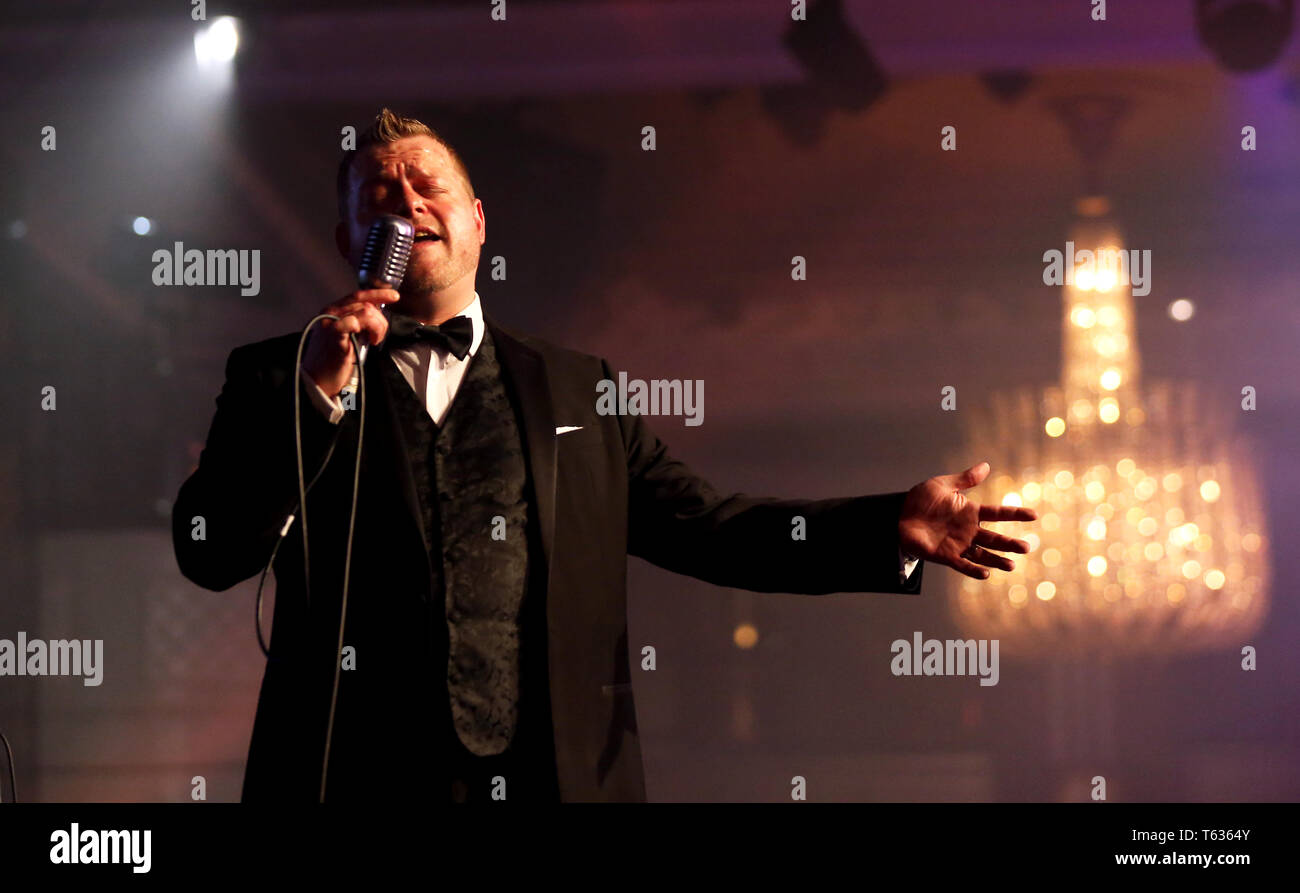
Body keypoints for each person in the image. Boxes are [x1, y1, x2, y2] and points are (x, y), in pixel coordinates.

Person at [171, 108, 1037, 803]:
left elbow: (710, 527)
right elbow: (210, 550)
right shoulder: (276, 374)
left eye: (427, 184)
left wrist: (885, 527)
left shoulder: (577, 390)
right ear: (348, 237)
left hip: (546, 778)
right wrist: (314, 396)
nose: (407, 202)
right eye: (379, 194)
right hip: (351, 778)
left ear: (477, 220)